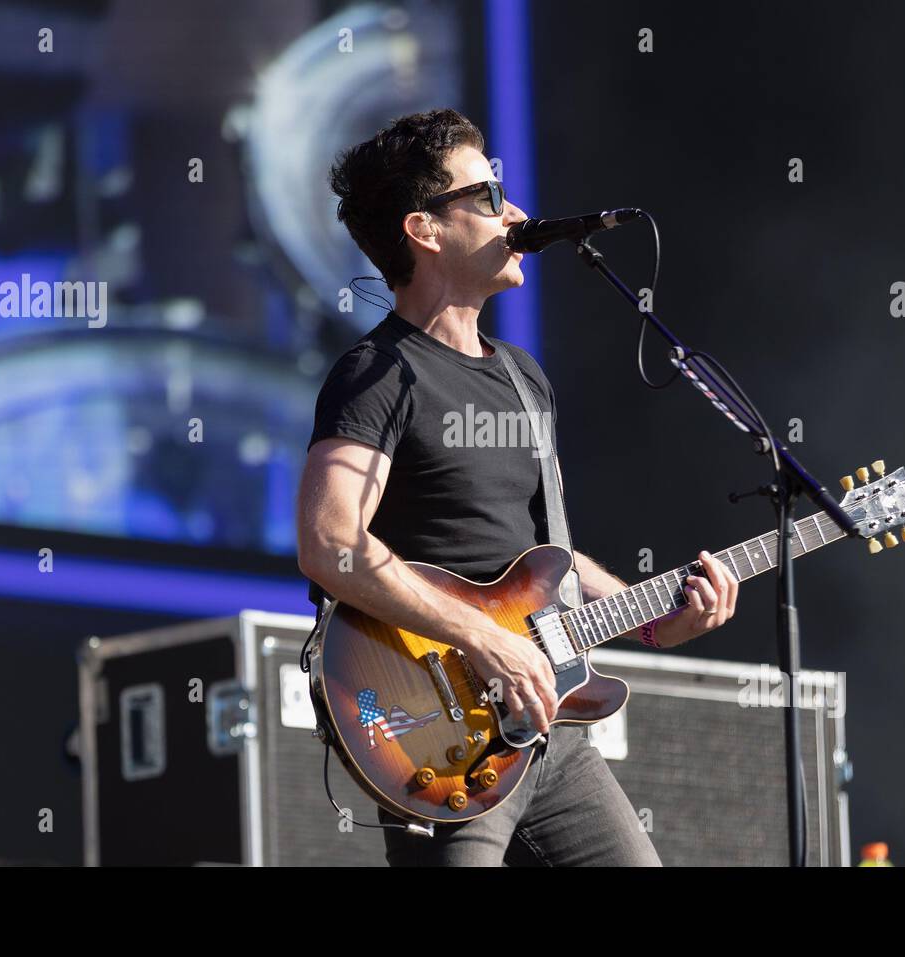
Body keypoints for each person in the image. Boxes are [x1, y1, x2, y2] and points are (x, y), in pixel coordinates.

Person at [297, 108, 738, 866]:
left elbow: (544, 560)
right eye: (487, 194)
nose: (517, 214)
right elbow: (330, 541)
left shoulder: (522, 375)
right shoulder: (376, 375)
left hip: (553, 736)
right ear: (424, 230)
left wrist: (654, 616)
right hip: (441, 723)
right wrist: (483, 641)